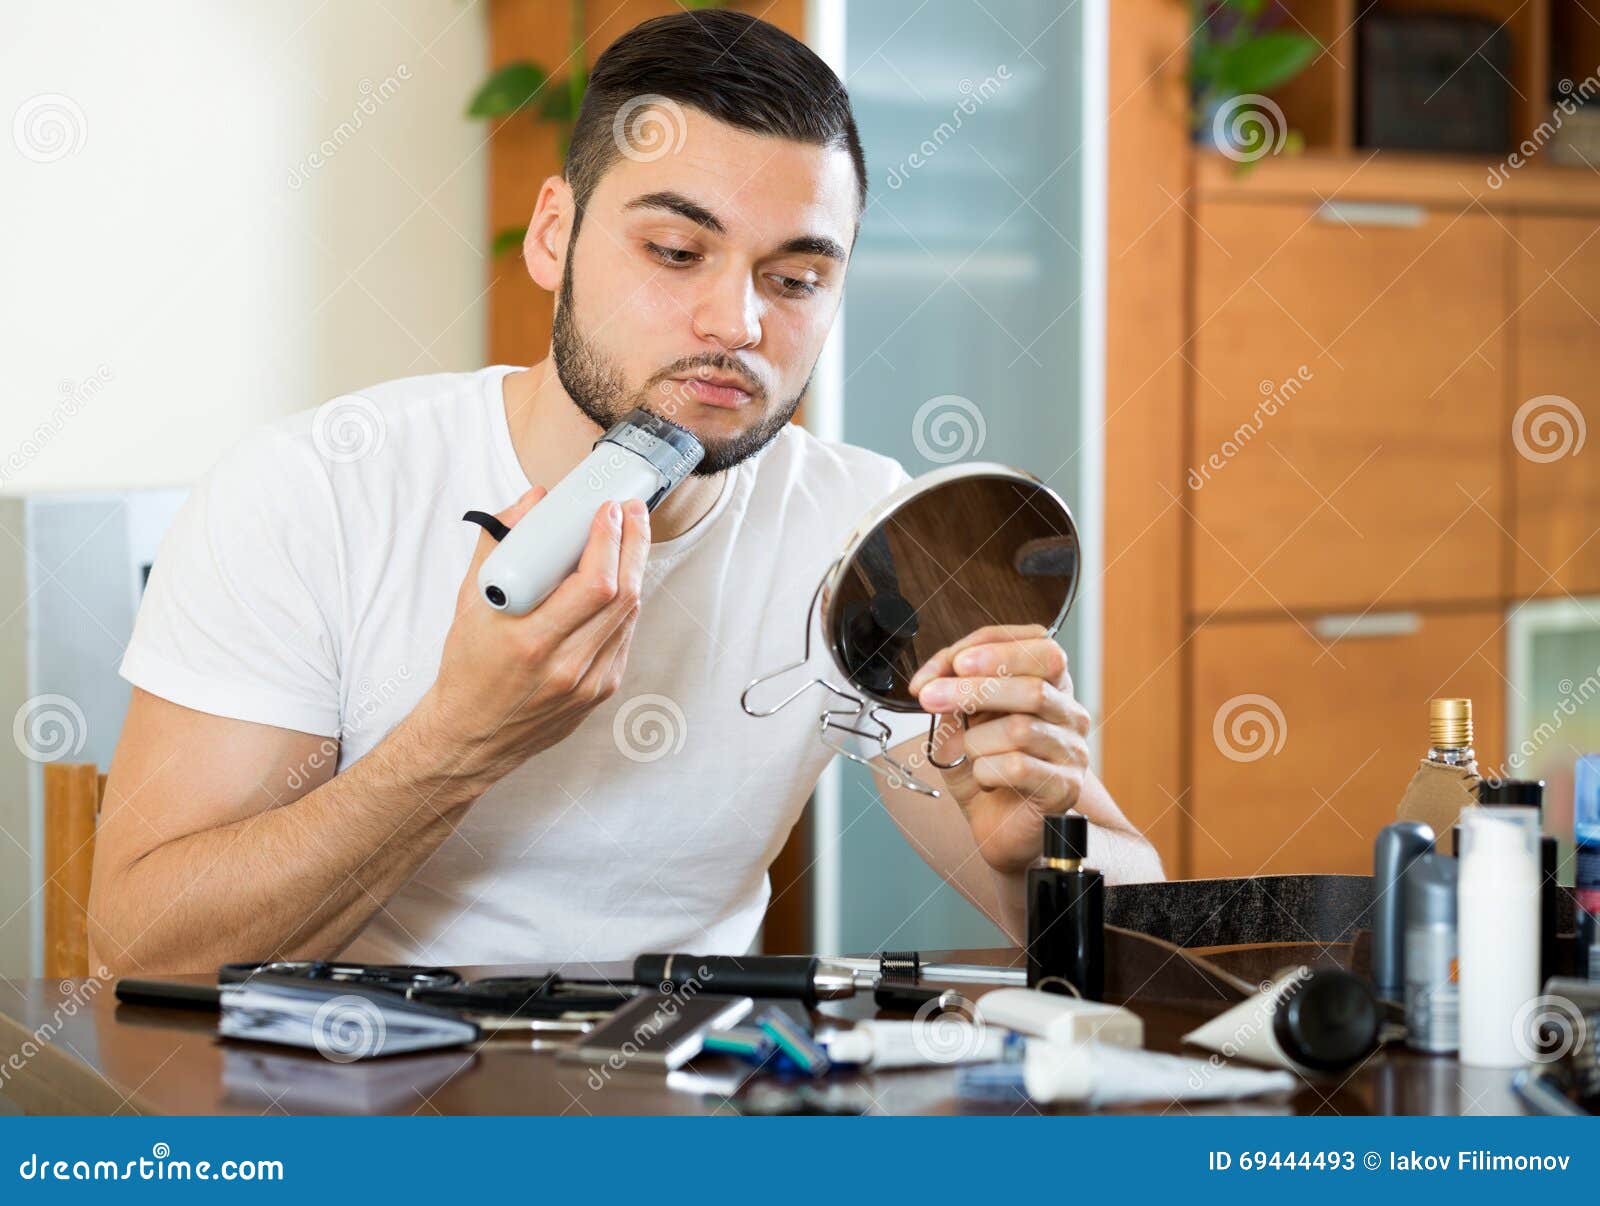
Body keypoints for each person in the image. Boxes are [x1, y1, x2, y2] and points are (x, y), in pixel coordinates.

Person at [88, 10, 1161, 975]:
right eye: (675, 250)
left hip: (686, 1108)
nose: (735, 323)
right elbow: (144, 946)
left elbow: (1159, 961)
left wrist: (1042, 858)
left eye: (794, 279)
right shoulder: (317, 491)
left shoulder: (862, 531)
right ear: (553, 234)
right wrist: (455, 746)